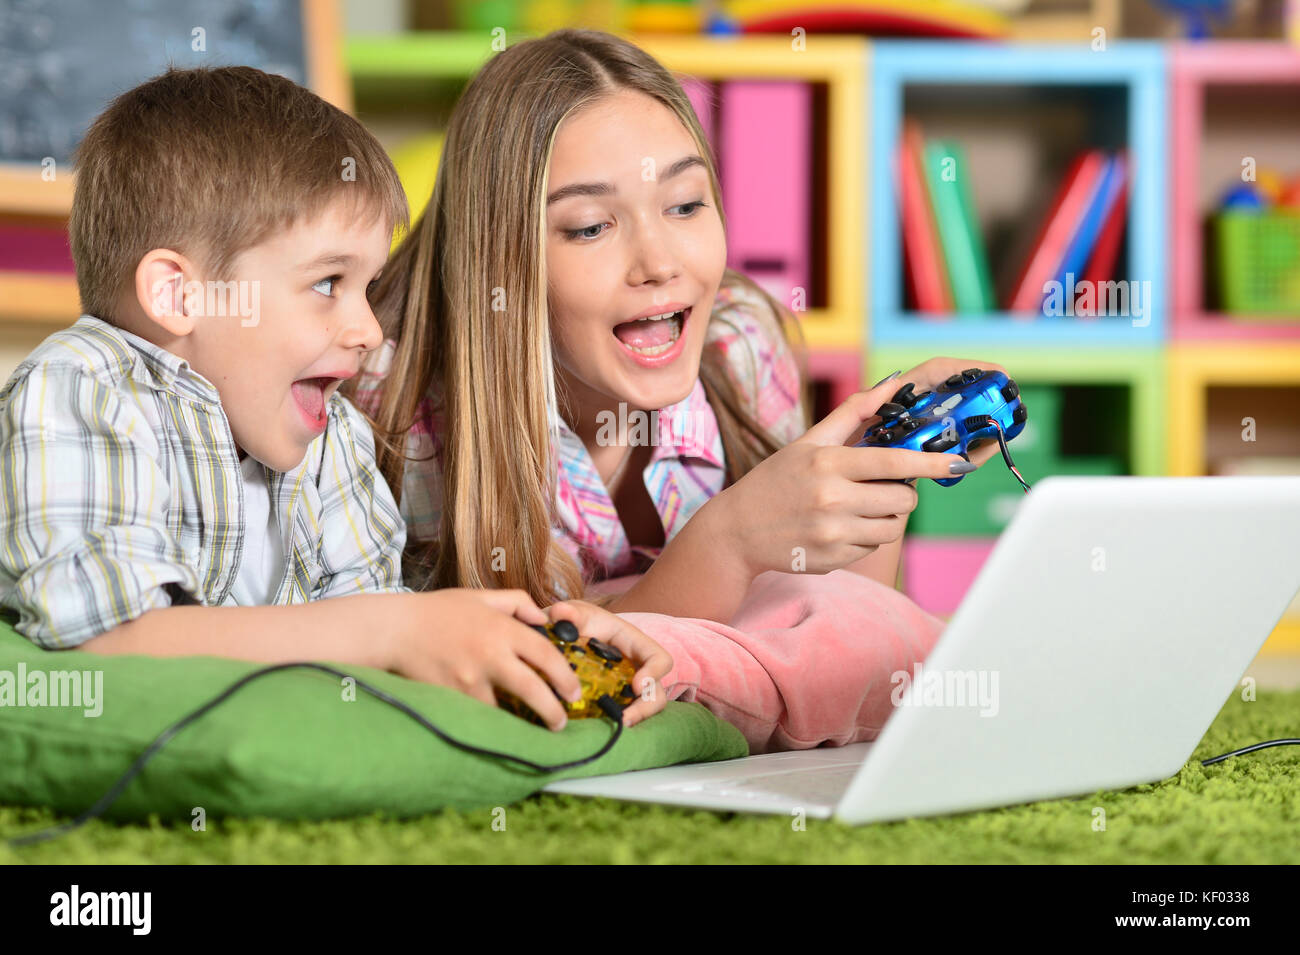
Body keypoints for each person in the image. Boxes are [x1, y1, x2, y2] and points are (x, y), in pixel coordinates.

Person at [0, 65, 669, 732]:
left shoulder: (334, 438)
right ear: (181, 295)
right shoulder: (83, 388)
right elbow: (112, 643)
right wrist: (386, 629)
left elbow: (374, 634)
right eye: (328, 283)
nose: (369, 329)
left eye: (368, 284)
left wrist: (529, 642)